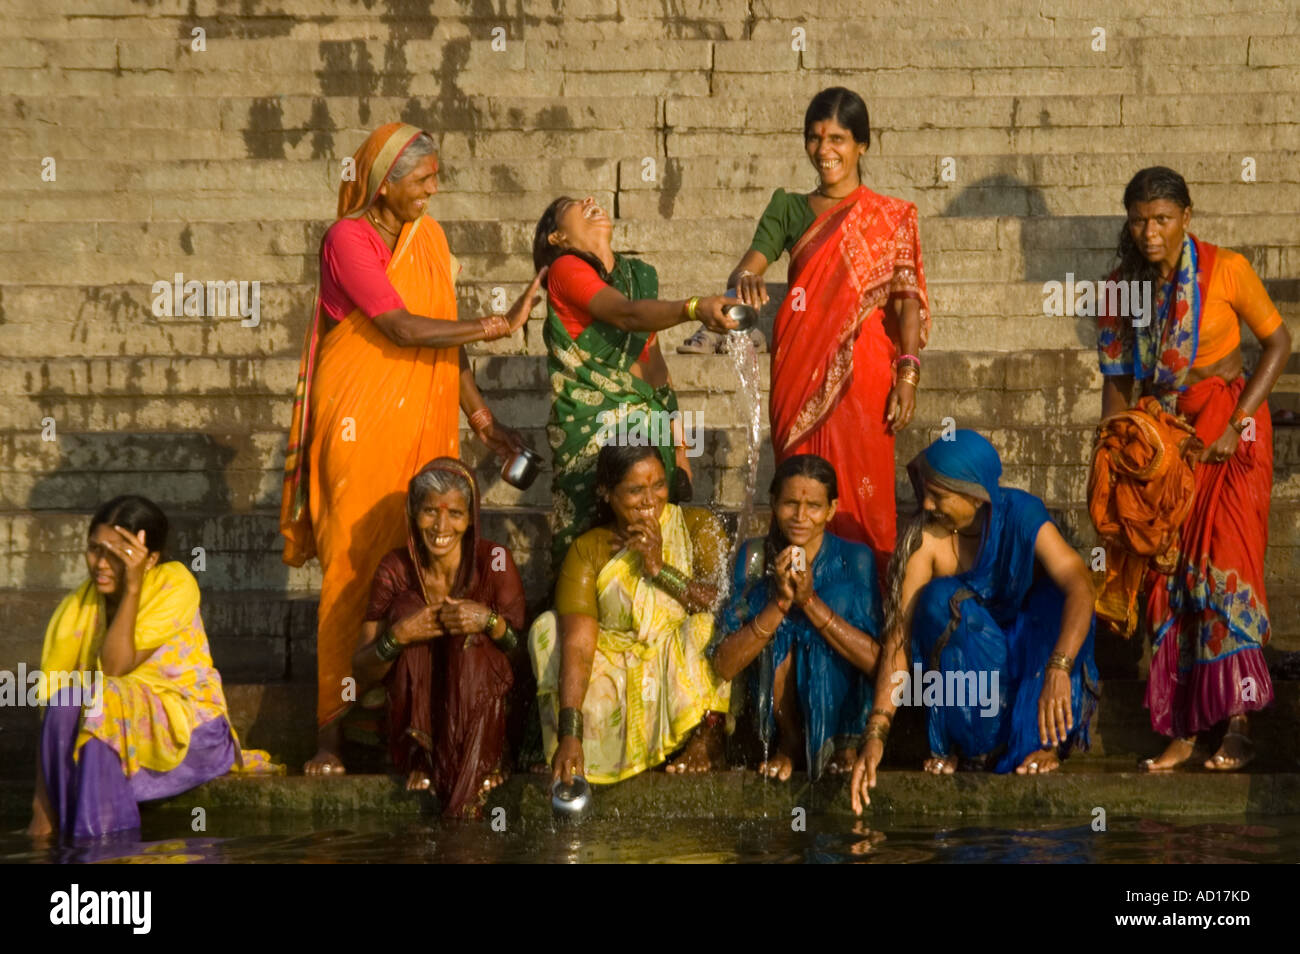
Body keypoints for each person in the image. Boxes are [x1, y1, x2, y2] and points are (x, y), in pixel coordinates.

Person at [280, 122, 546, 775]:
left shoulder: (430, 240)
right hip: (356, 428)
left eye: (434, 176)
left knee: (425, 559)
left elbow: (439, 347)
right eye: (422, 179)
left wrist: (483, 422)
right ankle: (330, 738)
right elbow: (399, 326)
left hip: (420, 426)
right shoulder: (347, 239)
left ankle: (416, 726)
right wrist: (499, 325)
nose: (434, 188)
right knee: (351, 567)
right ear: (383, 184)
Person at [1092, 166, 1291, 772]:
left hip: (1232, 428)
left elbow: (1277, 344)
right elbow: (1117, 383)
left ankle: (1238, 725)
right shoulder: (1120, 289)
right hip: (1165, 443)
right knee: (1168, 579)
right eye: (1140, 219)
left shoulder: (1226, 268)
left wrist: (1239, 421)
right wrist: (1116, 452)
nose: (1150, 231)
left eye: (1162, 218)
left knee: (1226, 567)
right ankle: (1183, 728)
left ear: (1186, 216)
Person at [723, 87, 930, 575]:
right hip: (798, 372)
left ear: (862, 144)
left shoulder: (894, 217)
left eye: (837, 138)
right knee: (798, 489)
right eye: (815, 138)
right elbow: (748, 266)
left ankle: (865, 604)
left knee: (865, 496)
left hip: (866, 378)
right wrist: (747, 276)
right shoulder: (789, 208)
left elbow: (907, 305)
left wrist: (908, 376)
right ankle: (793, 605)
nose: (824, 150)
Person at [850, 431, 1100, 814]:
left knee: (1058, 600)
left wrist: (1059, 665)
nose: (927, 504)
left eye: (940, 495)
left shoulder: (1021, 513)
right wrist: (876, 733)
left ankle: (1041, 742)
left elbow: (1080, 583)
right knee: (939, 603)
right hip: (973, 674)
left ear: (975, 496)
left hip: (1027, 660)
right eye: (927, 492)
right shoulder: (928, 538)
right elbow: (898, 641)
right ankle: (971, 747)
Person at [28, 496, 278, 839]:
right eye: (95, 549)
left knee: (103, 698)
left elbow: (115, 667)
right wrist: (41, 810)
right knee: (67, 700)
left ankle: (104, 843)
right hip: (110, 724)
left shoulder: (175, 582)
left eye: (117, 554)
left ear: (151, 559)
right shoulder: (76, 606)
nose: (101, 564)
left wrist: (132, 588)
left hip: (191, 734)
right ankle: (82, 836)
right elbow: (52, 708)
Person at [531, 195, 738, 572]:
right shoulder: (564, 268)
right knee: (593, 548)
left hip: (651, 430)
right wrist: (692, 308)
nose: (590, 200)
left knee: (654, 543)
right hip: (592, 432)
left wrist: (679, 447)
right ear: (557, 237)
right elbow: (626, 316)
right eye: (572, 205)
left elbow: (656, 368)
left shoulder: (638, 275)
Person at [528, 443, 731, 784]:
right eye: (636, 490)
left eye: (658, 485)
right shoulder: (589, 548)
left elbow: (724, 605)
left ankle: (706, 740)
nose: (650, 500)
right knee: (546, 628)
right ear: (606, 493)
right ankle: (573, 748)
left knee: (705, 627)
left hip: (675, 664)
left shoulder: (698, 526)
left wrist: (659, 567)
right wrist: (571, 732)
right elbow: (578, 643)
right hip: (615, 667)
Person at [351, 458, 526, 818]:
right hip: (421, 717)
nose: (441, 526)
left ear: (472, 518)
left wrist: (488, 620)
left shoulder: (494, 560)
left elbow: (524, 656)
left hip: (485, 706)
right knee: (405, 610)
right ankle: (422, 757)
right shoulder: (395, 568)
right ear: (414, 514)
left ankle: (487, 758)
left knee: (473, 643)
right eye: (430, 511)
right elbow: (360, 671)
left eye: (455, 514)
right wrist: (398, 636)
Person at [711, 454, 882, 781]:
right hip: (774, 708)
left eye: (814, 506)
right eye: (790, 503)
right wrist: (780, 602)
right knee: (776, 622)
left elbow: (876, 661)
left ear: (831, 509)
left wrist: (809, 601)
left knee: (839, 604)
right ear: (773, 504)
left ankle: (844, 741)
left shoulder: (855, 558)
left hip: (848, 709)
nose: (800, 517)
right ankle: (789, 741)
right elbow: (724, 665)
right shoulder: (754, 556)